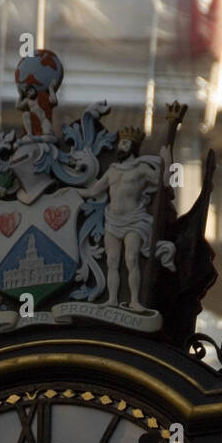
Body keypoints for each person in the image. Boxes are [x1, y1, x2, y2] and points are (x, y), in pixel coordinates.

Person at [77, 127, 160, 311]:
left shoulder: (141, 169)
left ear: (133, 146)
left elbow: (165, 181)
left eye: (125, 143)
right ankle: (112, 299)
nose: (120, 147)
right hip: (113, 221)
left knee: (131, 259)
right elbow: (93, 191)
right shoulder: (112, 170)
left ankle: (135, 301)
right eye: (120, 143)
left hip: (134, 220)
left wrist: (170, 162)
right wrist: (70, 191)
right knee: (112, 261)